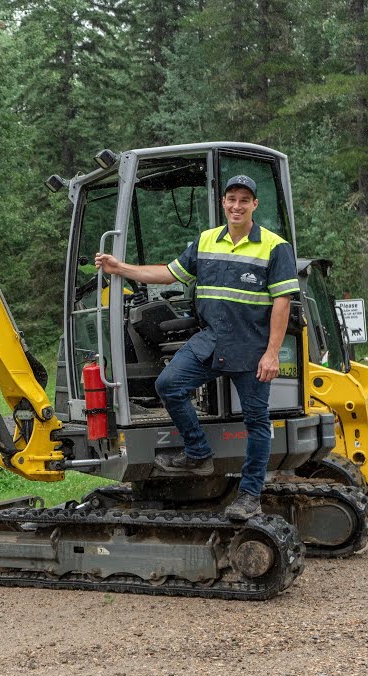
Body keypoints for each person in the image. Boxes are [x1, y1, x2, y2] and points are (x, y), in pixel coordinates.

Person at [94, 174, 299, 521]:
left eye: (244, 200)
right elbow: (168, 274)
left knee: (257, 422)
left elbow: (282, 302)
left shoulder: (275, 247)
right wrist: (120, 268)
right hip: (211, 339)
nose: (237, 206)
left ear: (254, 205)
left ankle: (250, 496)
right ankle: (198, 452)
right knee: (168, 384)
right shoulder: (205, 242)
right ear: (223, 202)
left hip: (252, 348)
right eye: (231, 199)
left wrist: (271, 352)